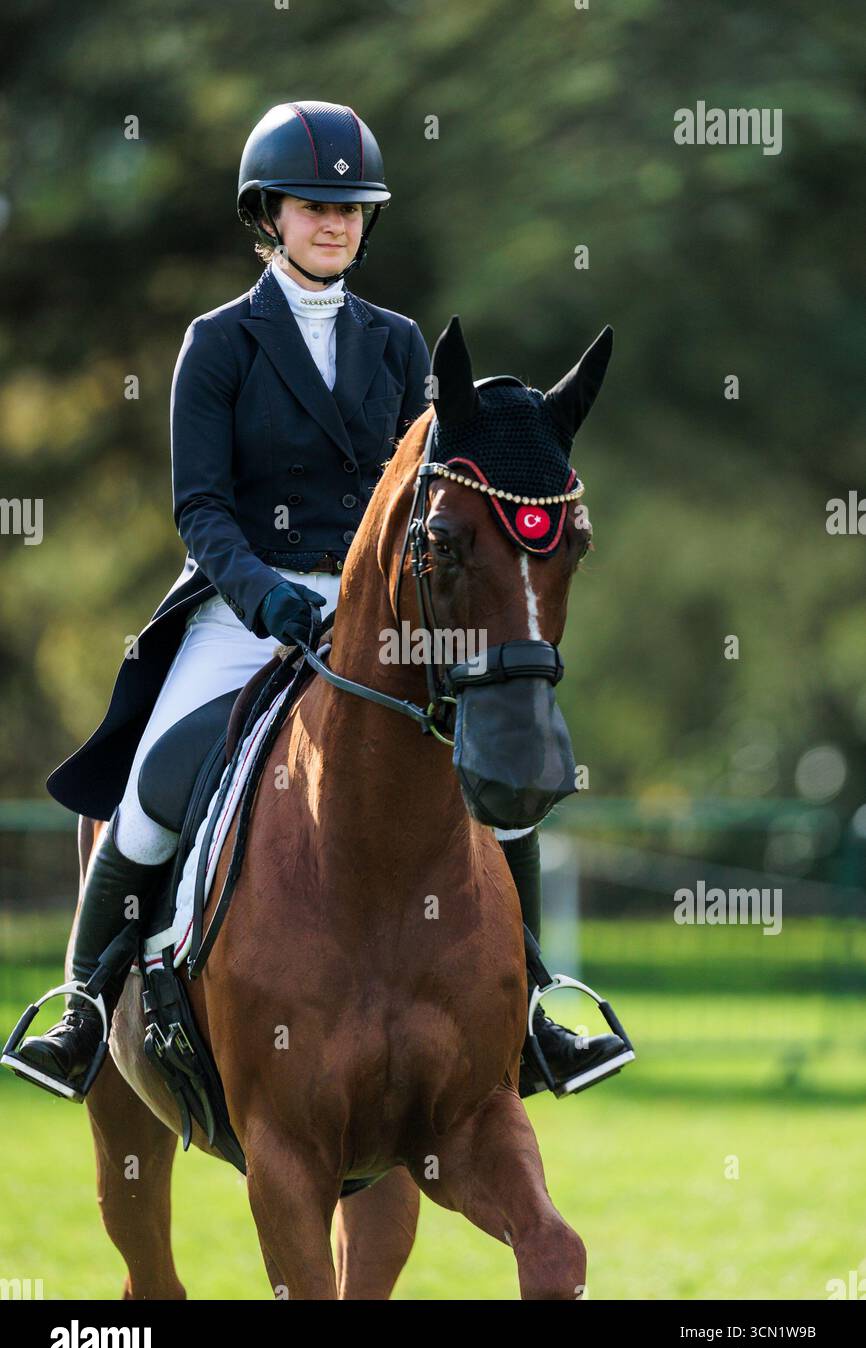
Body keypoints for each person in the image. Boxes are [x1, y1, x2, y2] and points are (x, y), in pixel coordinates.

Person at [12, 100, 624, 1099]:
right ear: (269, 216)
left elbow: (417, 496)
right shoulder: (218, 343)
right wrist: (263, 600)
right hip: (238, 599)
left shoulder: (397, 342)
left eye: (349, 207)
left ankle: (535, 1003)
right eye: (310, 206)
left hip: (372, 607)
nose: (332, 222)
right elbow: (200, 508)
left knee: (494, 767)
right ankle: (82, 1002)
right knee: (155, 783)